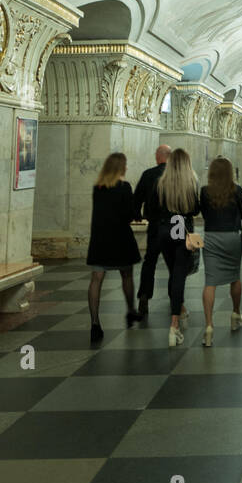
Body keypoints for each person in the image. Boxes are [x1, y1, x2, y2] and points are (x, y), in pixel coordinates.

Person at [86, 152, 142, 342]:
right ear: (120, 168)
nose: (126, 168)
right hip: (120, 239)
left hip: (100, 239)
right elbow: (128, 214)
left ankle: (95, 323)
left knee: (96, 280)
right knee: (126, 275)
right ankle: (131, 310)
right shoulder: (124, 187)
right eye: (124, 165)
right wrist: (137, 214)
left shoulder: (98, 187)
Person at [156, 148, 203, 347]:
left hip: (166, 233)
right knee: (179, 277)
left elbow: (156, 208)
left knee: (173, 273)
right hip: (183, 234)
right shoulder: (192, 181)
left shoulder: (162, 183)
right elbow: (195, 209)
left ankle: (180, 309)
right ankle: (174, 324)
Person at [199, 156, 242, 347]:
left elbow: (202, 213)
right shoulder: (236, 190)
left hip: (211, 237)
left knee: (210, 282)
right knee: (234, 277)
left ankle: (209, 326)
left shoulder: (204, 191)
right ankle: (235, 313)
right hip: (231, 237)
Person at [132, 143, 171, 320]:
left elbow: (137, 198)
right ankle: (176, 298)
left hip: (155, 225)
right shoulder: (177, 174)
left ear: (158, 157)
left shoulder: (148, 174)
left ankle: (144, 296)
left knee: (150, 261)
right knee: (176, 262)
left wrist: (138, 215)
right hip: (175, 225)